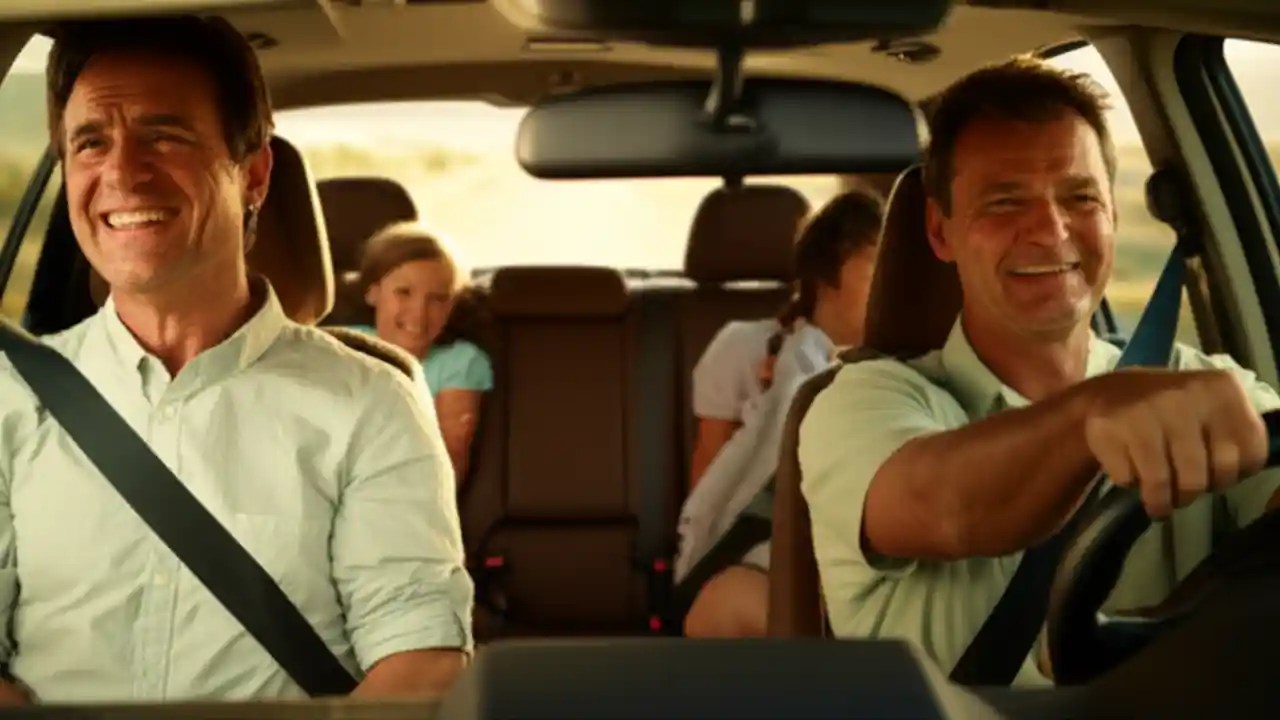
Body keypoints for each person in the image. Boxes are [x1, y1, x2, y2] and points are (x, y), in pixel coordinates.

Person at [0, 17, 473, 703]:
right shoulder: (12, 392)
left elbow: (421, 658)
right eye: (91, 142)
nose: (122, 172)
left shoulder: (371, 400)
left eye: (164, 135)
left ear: (252, 175)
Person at [798, 56, 1280, 686]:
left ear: (1112, 214)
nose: (1051, 230)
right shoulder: (860, 405)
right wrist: (1095, 412)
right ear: (940, 232)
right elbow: (944, 507)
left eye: (1080, 198)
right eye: (1005, 202)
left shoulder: (1202, 383)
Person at [678, 188, 884, 638]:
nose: (893, 284)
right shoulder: (746, 347)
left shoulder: (904, 367)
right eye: (878, 267)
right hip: (766, 544)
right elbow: (713, 480)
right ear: (826, 274)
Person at [353, 222, 494, 481]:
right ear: (373, 293)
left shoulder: (459, 363)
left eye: (438, 299)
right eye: (404, 292)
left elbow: (449, 465)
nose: (419, 313)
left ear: (452, 305)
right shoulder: (344, 344)